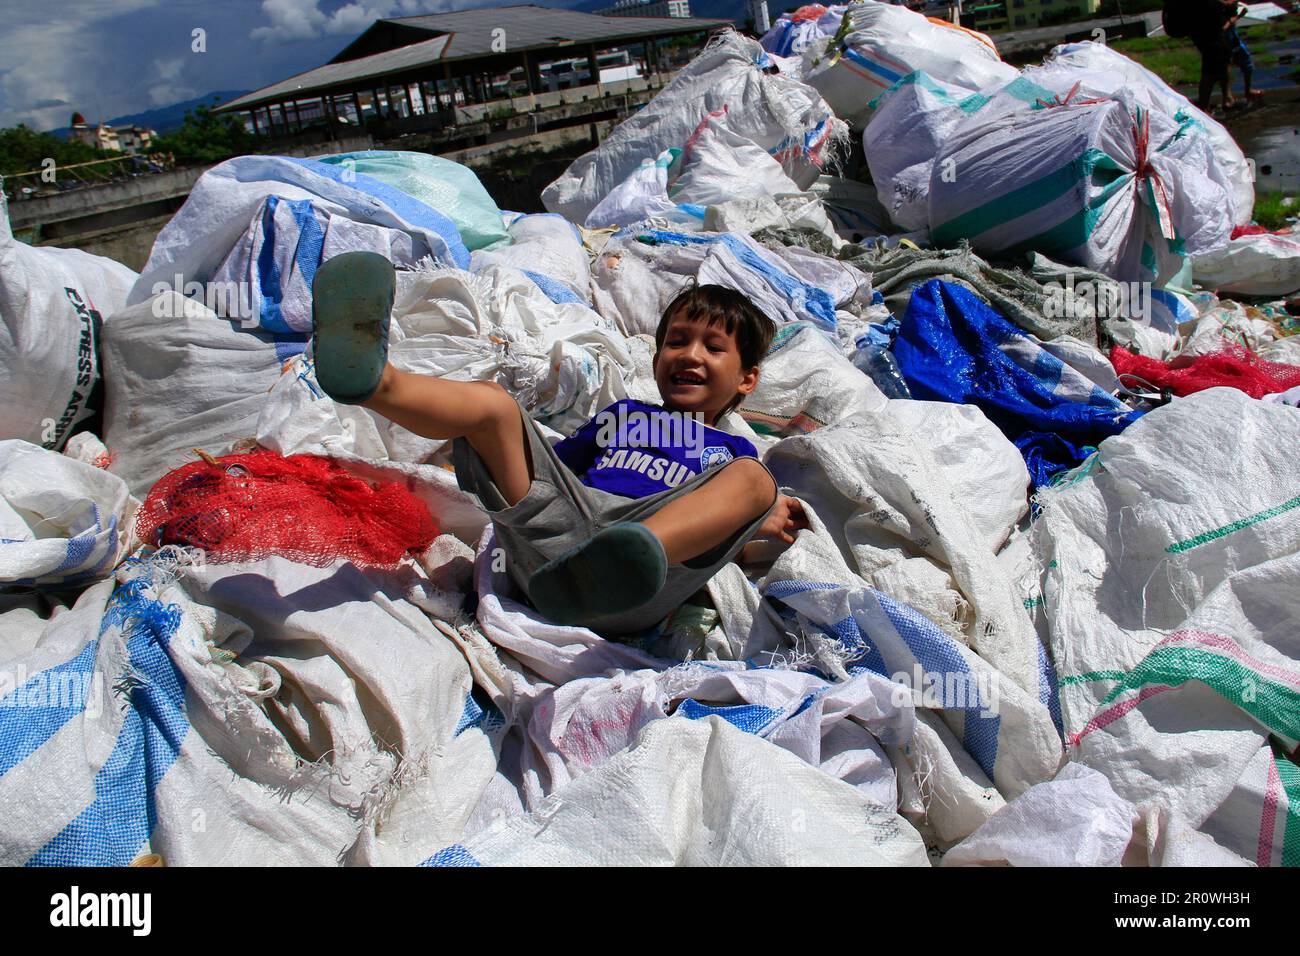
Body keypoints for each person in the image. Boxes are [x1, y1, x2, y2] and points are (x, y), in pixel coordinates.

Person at [309, 251, 808, 636]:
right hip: (554, 556)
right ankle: (377, 382)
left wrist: (754, 528)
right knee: (494, 405)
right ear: (655, 359)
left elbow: (718, 554)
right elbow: (549, 478)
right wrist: (487, 447)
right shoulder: (624, 415)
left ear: (747, 379)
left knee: (758, 482)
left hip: (633, 587)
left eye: (713, 348)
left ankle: (634, 552)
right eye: (676, 341)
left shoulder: (731, 455)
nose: (689, 354)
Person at [1223, 2, 1264, 108]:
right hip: (1226, 41)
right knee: (1226, 68)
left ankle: (1246, 91)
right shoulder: (1218, 9)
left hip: (1232, 39)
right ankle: (1228, 97)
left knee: (1246, 64)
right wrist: (1239, 15)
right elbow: (1224, 27)